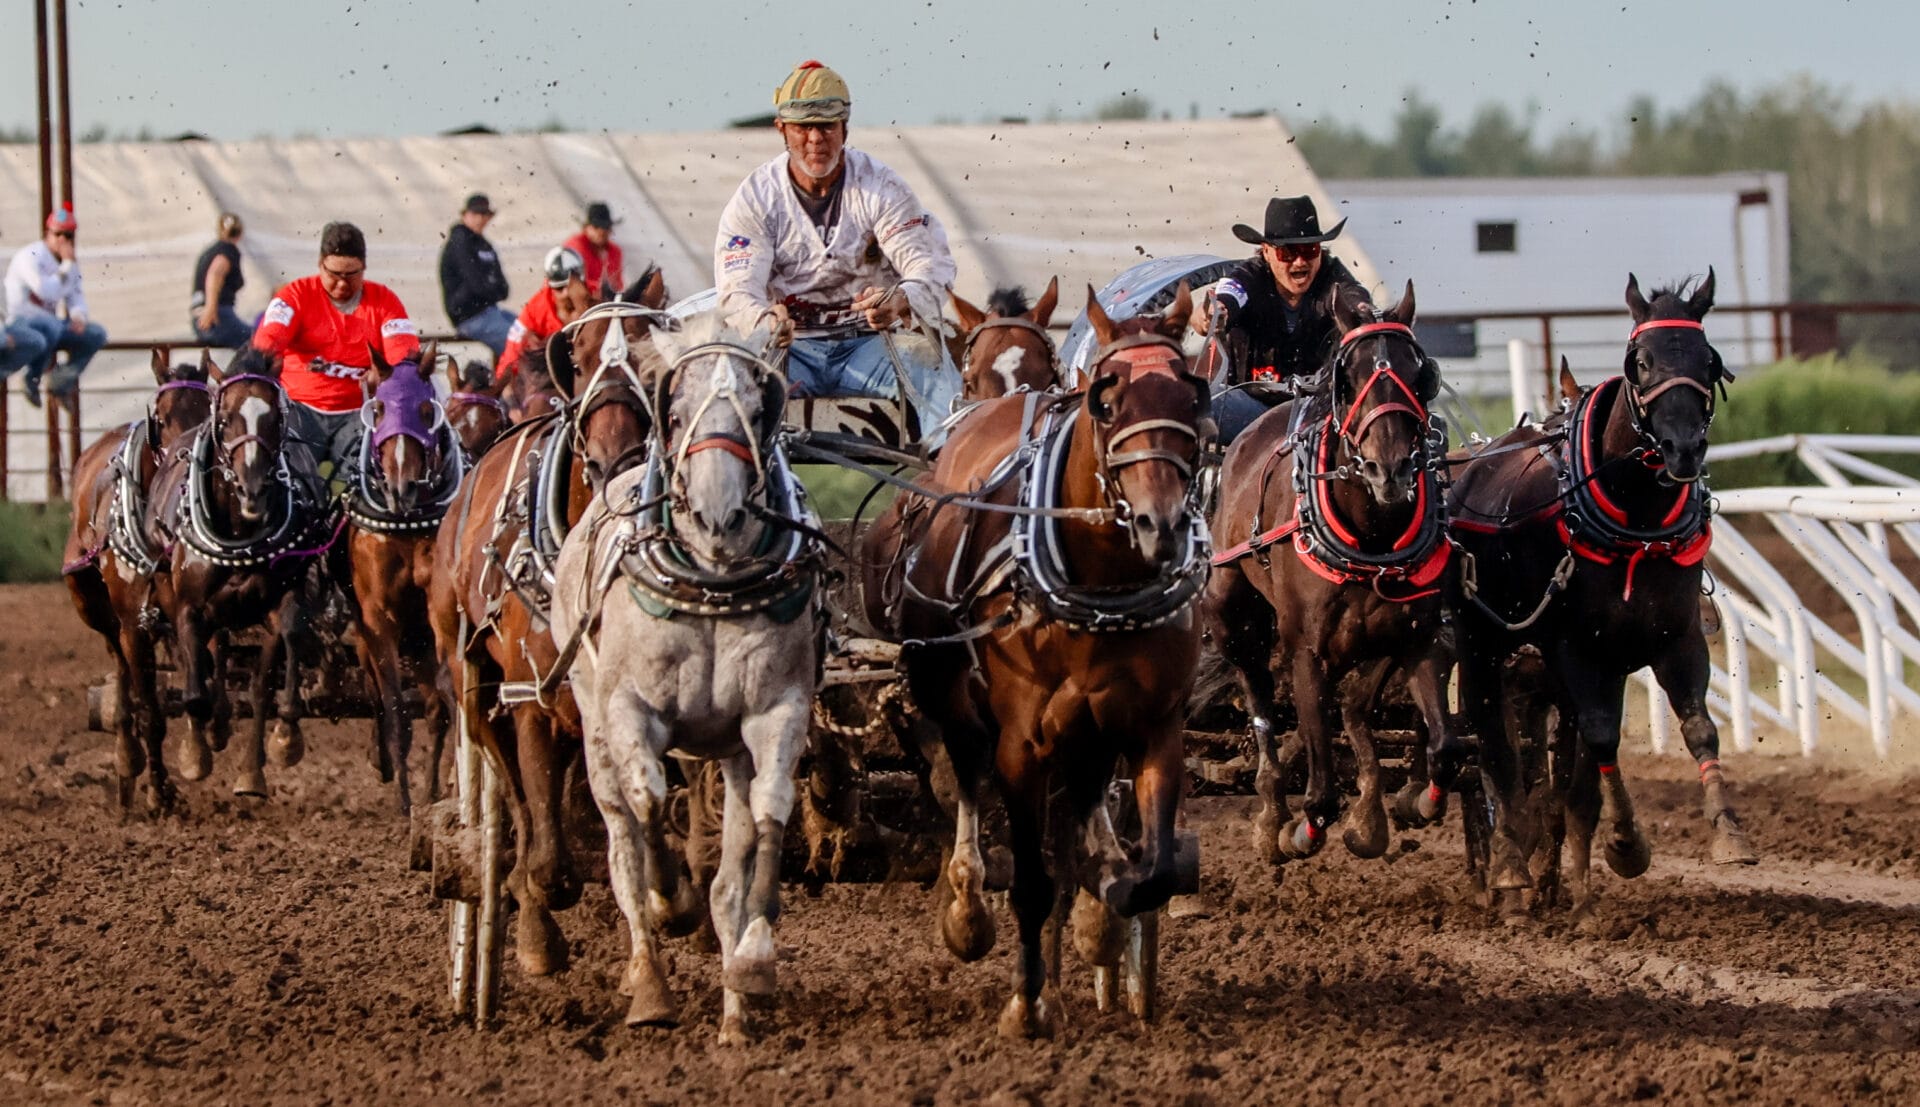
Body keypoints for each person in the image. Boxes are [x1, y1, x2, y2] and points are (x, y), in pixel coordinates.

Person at [713, 60, 960, 418]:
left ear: (844, 128)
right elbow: (736, 291)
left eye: (827, 126)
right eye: (804, 127)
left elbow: (930, 268)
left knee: (936, 372)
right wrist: (764, 320)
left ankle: (948, 469)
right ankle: (743, 474)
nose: (816, 139)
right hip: (789, 351)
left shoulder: (882, 187)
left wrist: (900, 299)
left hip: (870, 346)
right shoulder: (755, 199)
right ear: (782, 129)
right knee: (728, 386)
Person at [252, 221, 420, 493]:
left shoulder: (385, 301)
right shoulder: (294, 296)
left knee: (365, 482)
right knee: (291, 482)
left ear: (364, 268)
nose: (342, 283)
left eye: (352, 274)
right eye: (334, 274)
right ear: (320, 265)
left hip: (358, 414)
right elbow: (267, 341)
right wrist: (269, 354)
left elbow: (404, 357)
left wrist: (388, 374)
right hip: (300, 410)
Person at [1201, 195, 1371, 442]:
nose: (1300, 261)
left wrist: (1366, 314)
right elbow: (1229, 295)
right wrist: (1213, 313)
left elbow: (1356, 300)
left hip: (1322, 412)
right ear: (1267, 253)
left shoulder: (1334, 278)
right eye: (1288, 253)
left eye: (1309, 250)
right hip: (1254, 412)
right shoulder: (1250, 277)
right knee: (1205, 406)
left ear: (1320, 252)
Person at [4, 206, 108, 407]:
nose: (62, 240)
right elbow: (45, 290)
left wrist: (79, 316)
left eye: (67, 235)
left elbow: (76, 296)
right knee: (49, 325)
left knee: (96, 334)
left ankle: (60, 381)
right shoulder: (31, 255)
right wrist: (67, 265)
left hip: (50, 326)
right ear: (47, 233)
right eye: (57, 234)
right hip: (21, 321)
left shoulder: (69, 265)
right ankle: (31, 377)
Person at [439, 193, 514, 359]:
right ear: (465, 215)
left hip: (490, 312)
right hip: (469, 318)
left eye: (484, 214)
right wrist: (491, 289)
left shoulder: (485, 245)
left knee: (530, 329)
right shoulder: (459, 242)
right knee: (520, 344)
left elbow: (504, 288)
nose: (480, 219)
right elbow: (476, 285)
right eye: (475, 214)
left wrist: (489, 289)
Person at [496, 246, 587, 382]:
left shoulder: (598, 298)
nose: (566, 293)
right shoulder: (534, 310)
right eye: (559, 288)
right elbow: (510, 358)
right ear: (549, 285)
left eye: (572, 286)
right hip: (551, 379)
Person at [191, 211, 252, 348]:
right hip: (216, 317)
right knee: (260, 342)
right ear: (240, 233)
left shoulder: (210, 251)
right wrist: (210, 308)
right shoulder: (228, 251)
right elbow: (215, 274)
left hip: (200, 318)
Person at [562, 202, 625, 296]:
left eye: (605, 227)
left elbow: (618, 284)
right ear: (586, 228)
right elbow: (575, 282)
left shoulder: (615, 251)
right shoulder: (575, 246)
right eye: (596, 227)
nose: (601, 231)